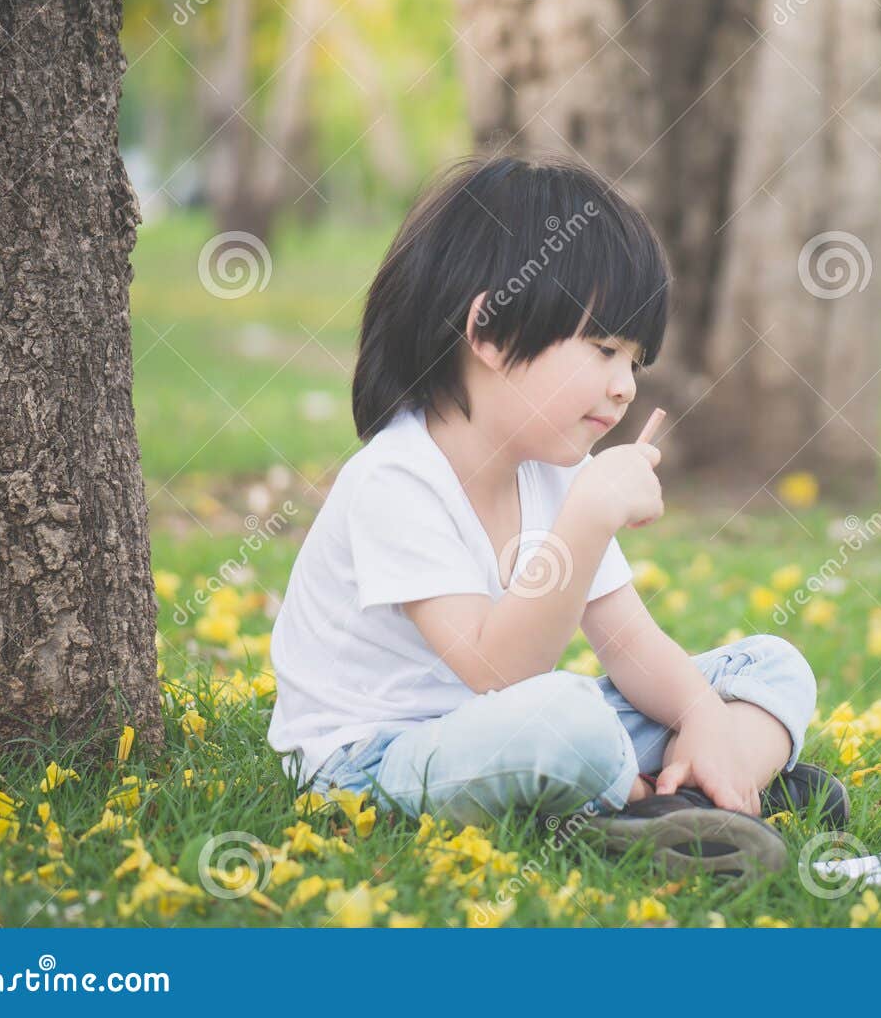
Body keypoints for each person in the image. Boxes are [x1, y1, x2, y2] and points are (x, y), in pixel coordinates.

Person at [265, 155, 847, 878]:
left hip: (503, 733)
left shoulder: (556, 468)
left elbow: (629, 641)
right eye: (604, 349)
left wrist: (699, 711)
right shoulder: (398, 478)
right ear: (489, 330)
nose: (624, 386)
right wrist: (588, 518)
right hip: (375, 764)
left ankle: (701, 780)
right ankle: (670, 801)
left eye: (635, 362)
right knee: (566, 720)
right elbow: (497, 673)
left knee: (771, 668)